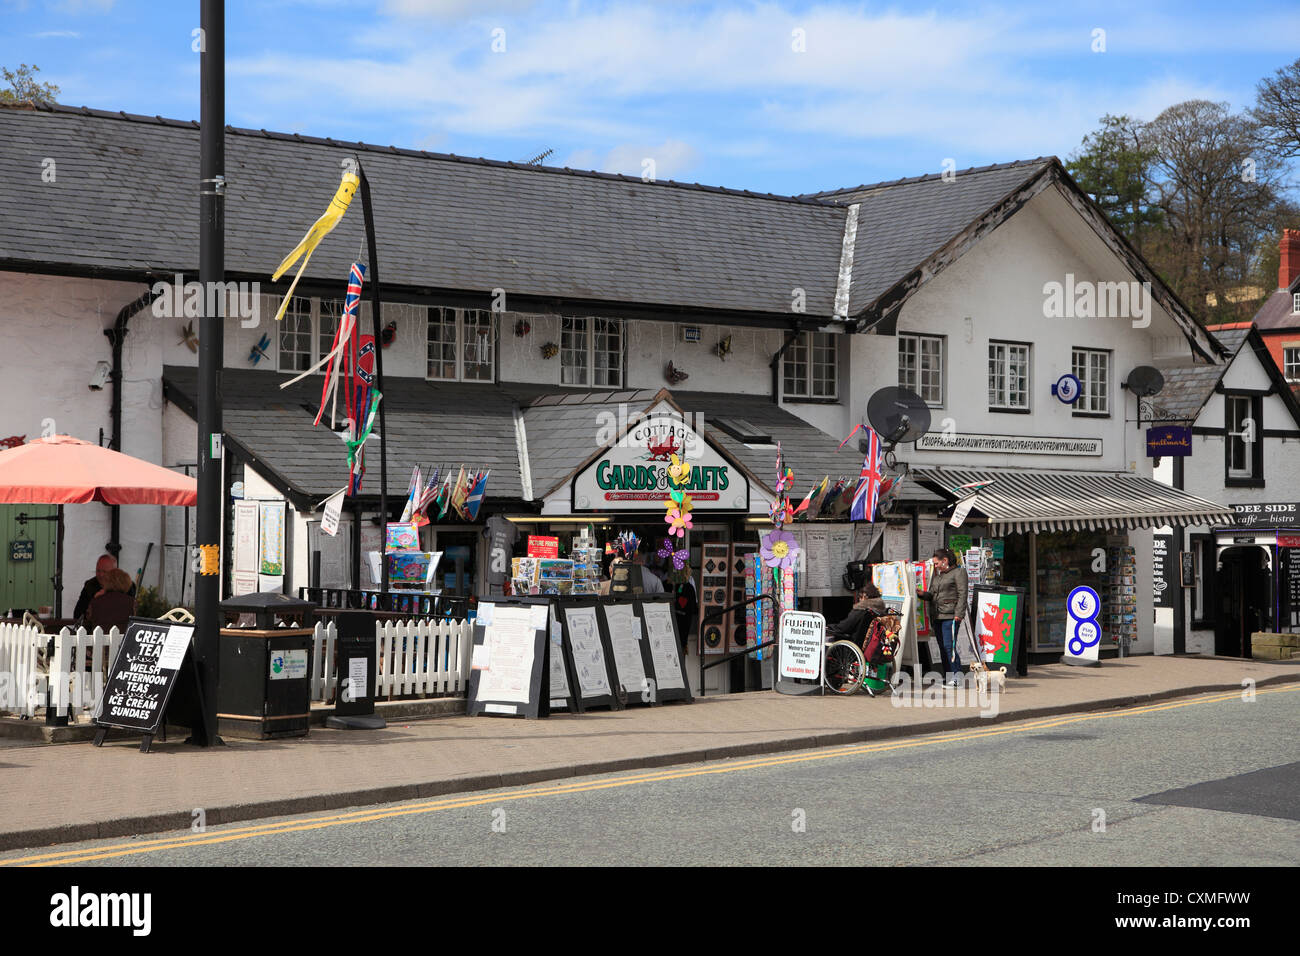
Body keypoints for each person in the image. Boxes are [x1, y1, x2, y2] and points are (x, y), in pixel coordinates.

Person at [918, 548, 968, 686]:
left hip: (950, 615)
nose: (935, 566)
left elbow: (962, 594)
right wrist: (922, 594)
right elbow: (933, 595)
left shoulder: (959, 572)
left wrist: (959, 614)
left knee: (948, 646)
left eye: (936, 563)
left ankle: (957, 677)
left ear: (945, 560)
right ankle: (948, 676)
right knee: (942, 647)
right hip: (938, 616)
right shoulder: (939, 576)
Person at [73, 554, 136, 621]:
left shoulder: (127, 586)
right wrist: (95, 600)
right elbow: (78, 614)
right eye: (98, 571)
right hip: (95, 628)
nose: (101, 575)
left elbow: (130, 611)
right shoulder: (90, 585)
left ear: (114, 571)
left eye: (105, 572)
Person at [86, 568, 135, 632]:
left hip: (100, 639)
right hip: (124, 639)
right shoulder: (132, 602)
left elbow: (88, 618)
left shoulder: (96, 601)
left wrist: (95, 598)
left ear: (106, 582)